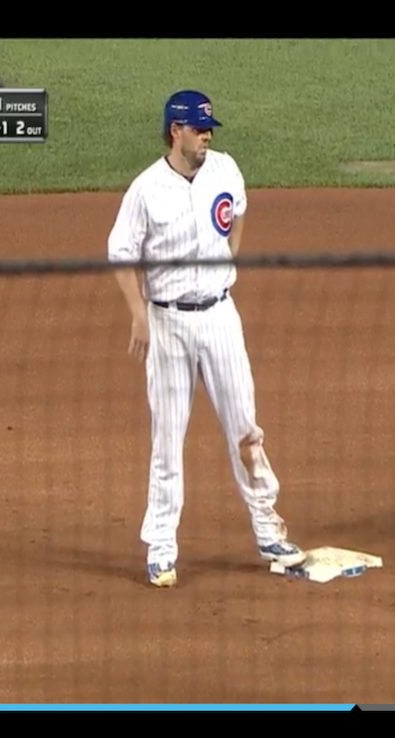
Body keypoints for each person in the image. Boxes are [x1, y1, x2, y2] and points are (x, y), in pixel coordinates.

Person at [106, 89, 306, 588]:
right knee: (168, 438)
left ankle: (268, 530)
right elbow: (121, 254)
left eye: (209, 127)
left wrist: (228, 262)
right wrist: (138, 316)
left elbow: (237, 212)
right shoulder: (146, 190)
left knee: (246, 429)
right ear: (175, 131)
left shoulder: (225, 170)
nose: (207, 135)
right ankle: (161, 546)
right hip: (168, 323)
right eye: (198, 129)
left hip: (220, 318)